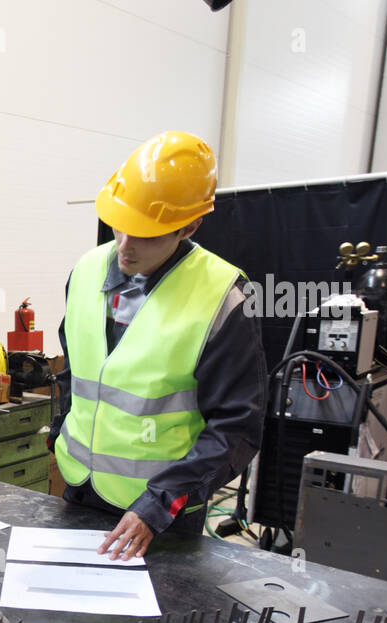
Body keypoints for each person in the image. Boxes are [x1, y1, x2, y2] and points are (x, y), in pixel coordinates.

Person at [51, 130, 266, 561]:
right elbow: (75, 370)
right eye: (121, 226)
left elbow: (237, 427)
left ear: (190, 225)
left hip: (162, 514)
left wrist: (161, 502)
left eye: (146, 234)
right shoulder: (87, 270)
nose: (125, 246)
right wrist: (60, 432)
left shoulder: (222, 297)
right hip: (80, 491)